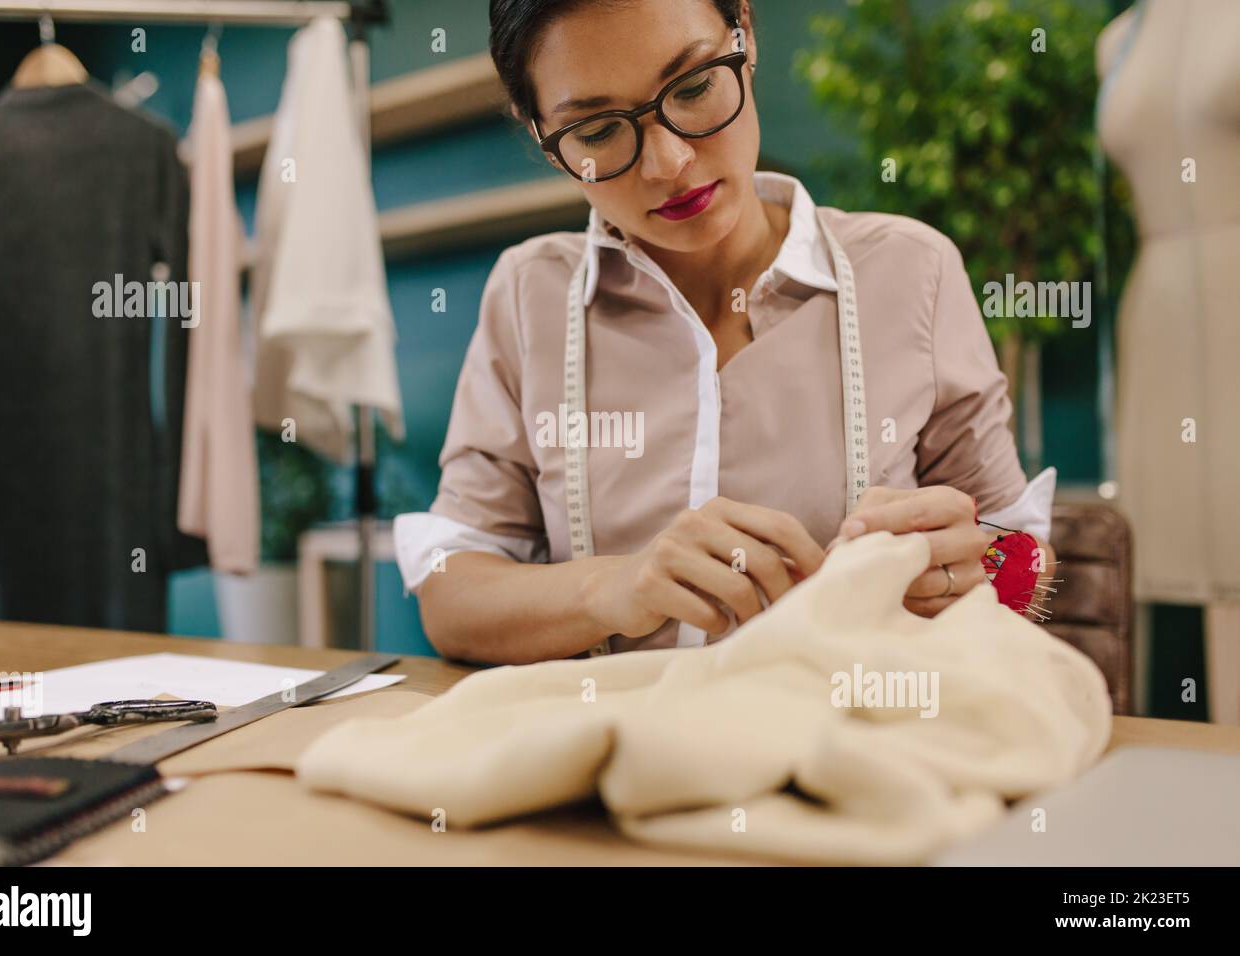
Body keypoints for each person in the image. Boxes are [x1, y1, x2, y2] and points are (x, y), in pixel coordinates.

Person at [394, 0, 1055, 664]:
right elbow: (451, 593)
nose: (668, 162)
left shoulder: (912, 272)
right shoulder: (529, 296)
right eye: (595, 131)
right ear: (538, 131)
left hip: (844, 750)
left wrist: (968, 572)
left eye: (693, 87)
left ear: (745, 29)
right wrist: (618, 586)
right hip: (619, 756)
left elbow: (1020, 559)